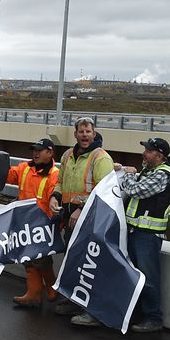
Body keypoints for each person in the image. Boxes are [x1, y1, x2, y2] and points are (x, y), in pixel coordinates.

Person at [48, 117, 114, 322]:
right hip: (70, 218)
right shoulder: (68, 155)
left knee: (89, 264)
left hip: (91, 220)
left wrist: (80, 208)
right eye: (81, 131)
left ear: (94, 134)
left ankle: (92, 310)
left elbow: (105, 191)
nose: (85, 135)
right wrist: (55, 196)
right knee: (73, 260)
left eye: (88, 131)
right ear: (75, 134)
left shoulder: (100, 158)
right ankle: (74, 301)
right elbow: (60, 181)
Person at [110, 138, 170, 332]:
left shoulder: (163, 175)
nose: (144, 153)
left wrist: (129, 174)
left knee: (149, 278)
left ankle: (153, 318)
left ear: (159, 155)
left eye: (148, 151)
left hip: (148, 236)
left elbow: (135, 191)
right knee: (134, 276)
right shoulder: (150, 172)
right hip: (136, 232)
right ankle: (137, 314)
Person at [7, 138, 61, 307]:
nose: (35, 153)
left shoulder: (54, 175)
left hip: (43, 226)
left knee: (41, 260)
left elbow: (55, 198)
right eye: (34, 150)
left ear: (50, 153)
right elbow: (8, 175)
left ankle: (51, 289)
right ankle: (35, 293)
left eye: (40, 150)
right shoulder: (25, 168)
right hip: (24, 224)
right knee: (28, 260)